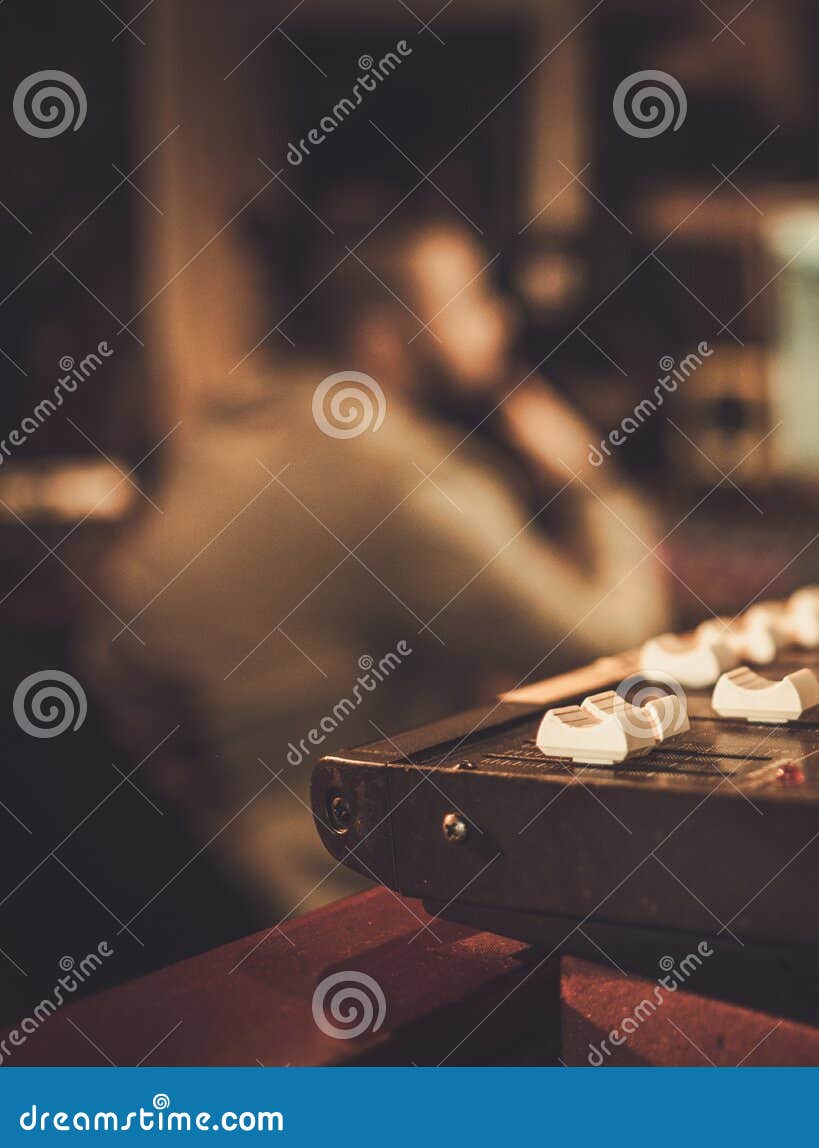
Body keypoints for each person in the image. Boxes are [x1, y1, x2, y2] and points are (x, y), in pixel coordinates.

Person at [77, 216, 671, 921]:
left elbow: (109, 635)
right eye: (472, 299)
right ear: (384, 335)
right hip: (346, 889)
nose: (500, 318)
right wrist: (595, 485)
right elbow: (613, 634)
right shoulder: (393, 471)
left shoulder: (232, 421)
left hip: (215, 867)